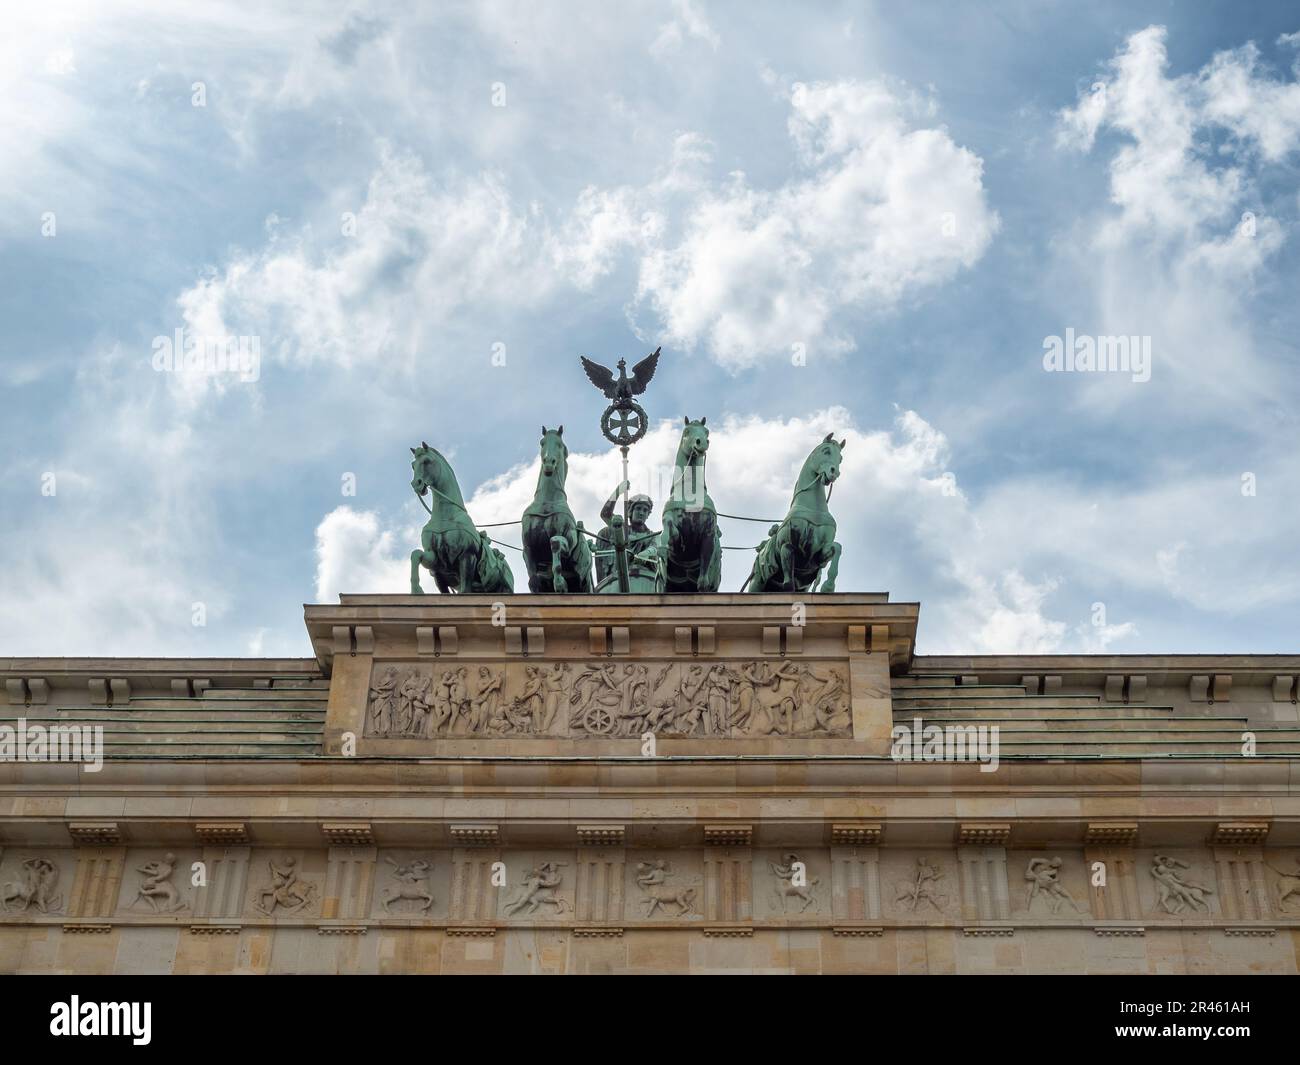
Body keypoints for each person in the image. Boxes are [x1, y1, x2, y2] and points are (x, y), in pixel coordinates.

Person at [594, 481, 658, 585]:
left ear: (648, 515)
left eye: (645, 510)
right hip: (619, 578)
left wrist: (645, 554)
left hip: (644, 579)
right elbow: (605, 514)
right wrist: (618, 491)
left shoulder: (651, 536)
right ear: (630, 511)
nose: (641, 512)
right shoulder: (620, 529)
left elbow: (654, 548)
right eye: (638, 508)